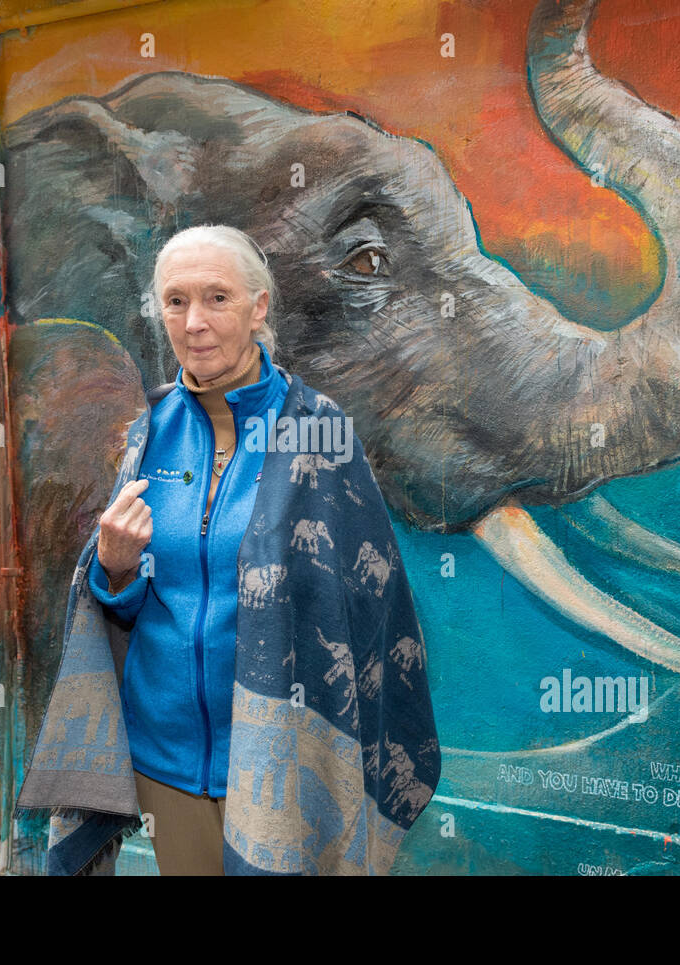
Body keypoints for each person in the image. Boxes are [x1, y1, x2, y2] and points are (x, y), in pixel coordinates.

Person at [77, 224, 438, 874]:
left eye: (217, 298)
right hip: (167, 761)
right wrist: (114, 567)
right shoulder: (147, 434)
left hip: (281, 759)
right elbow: (118, 600)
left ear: (259, 306)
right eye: (176, 301)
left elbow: (369, 601)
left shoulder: (318, 431)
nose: (194, 323)